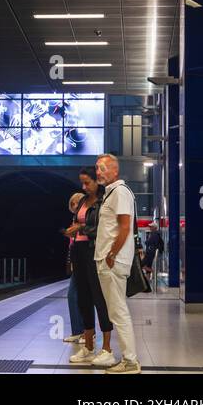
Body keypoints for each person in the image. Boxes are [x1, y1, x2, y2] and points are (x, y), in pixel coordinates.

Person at [92, 154, 140, 374]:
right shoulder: (111, 193)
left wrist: (111, 254)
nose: (98, 172)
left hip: (113, 262)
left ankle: (130, 362)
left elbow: (124, 227)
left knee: (118, 313)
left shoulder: (120, 192)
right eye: (97, 168)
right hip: (108, 261)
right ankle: (129, 360)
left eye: (102, 168)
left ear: (114, 170)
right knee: (116, 312)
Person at [65, 167, 113, 364]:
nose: (84, 187)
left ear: (97, 181)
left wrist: (82, 227)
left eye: (87, 183)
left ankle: (107, 348)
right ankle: (89, 346)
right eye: (82, 183)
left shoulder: (104, 201)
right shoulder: (84, 201)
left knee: (99, 298)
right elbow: (79, 222)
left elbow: (105, 227)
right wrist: (73, 231)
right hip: (79, 249)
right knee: (83, 298)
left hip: (95, 251)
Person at [63, 192, 85, 344]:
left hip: (86, 260)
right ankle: (78, 331)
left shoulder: (86, 218)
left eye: (76, 204)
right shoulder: (75, 220)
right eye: (72, 205)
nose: (74, 207)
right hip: (77, 260)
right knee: (74, 296)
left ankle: (86, 333)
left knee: (81, 297)